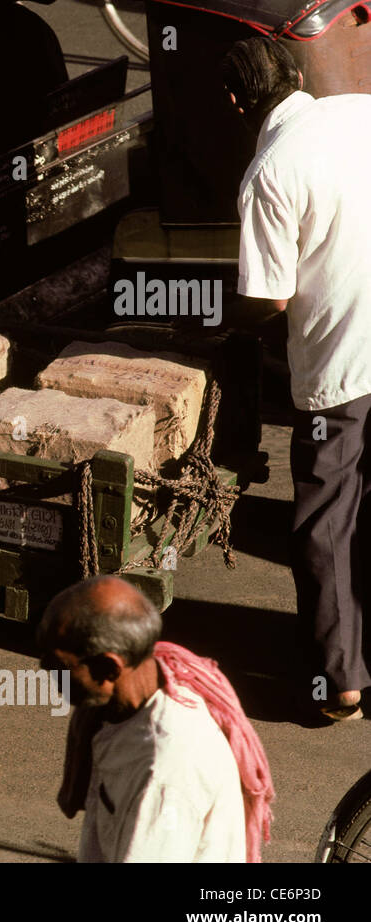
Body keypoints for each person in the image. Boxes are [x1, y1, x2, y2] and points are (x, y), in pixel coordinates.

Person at [220, 38, 371, 721]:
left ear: (235, 102)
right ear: (299, 75)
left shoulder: (270, 171)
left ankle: (341, 682)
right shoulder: (361, 115)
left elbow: (269, 298)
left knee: (324, 526)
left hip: (341, 378)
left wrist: (223, 326)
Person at [37, 575, 273, 863]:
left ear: (108, 668)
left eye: (58, 664)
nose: (44, 669)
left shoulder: (164, 773)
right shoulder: (138, 691)